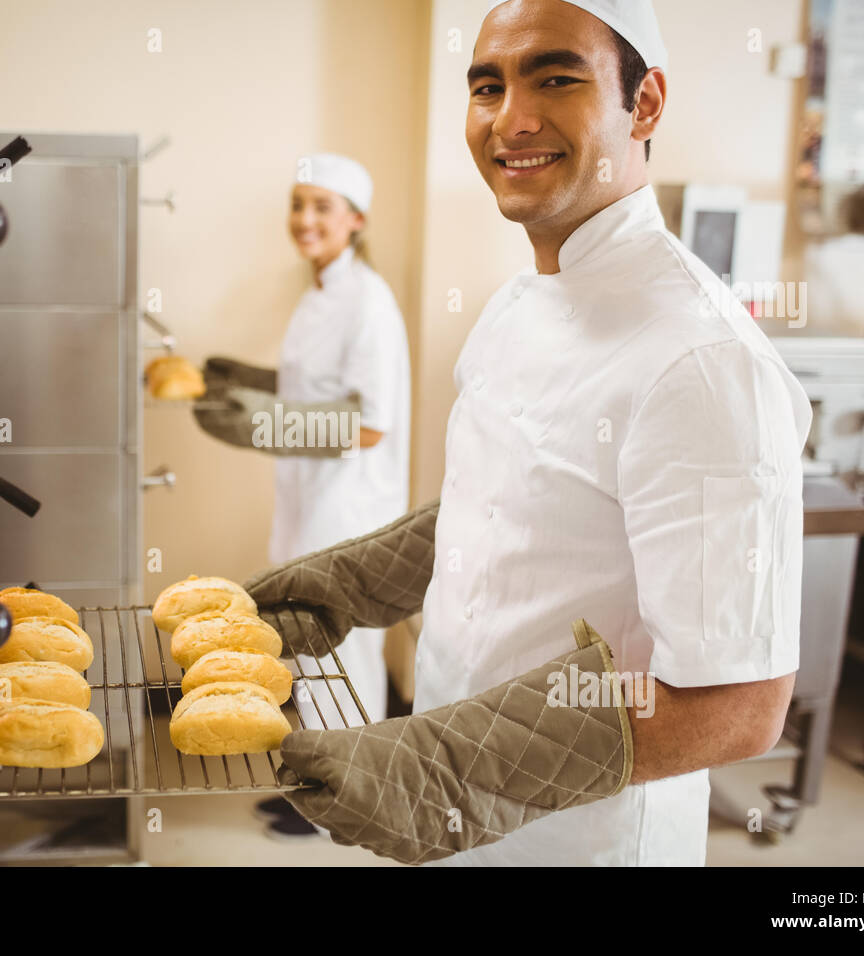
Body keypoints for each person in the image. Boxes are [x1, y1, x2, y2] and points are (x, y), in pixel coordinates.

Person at [243, 0, 813, 865]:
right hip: (456, 827)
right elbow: (509, 505)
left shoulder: (701, 361)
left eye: (556, 77)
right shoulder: (517, 306)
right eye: (487, 86)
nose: (511, 118)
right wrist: (352, 584)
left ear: (645, 104)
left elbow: (739, 702)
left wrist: (446, 768)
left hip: (580, 842)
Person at [194, 153, 411, 841]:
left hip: (347, 505)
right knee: (307, 649)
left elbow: (371, 423)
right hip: (306, 497)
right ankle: (316, 790)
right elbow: (312, 390)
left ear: (356, 220)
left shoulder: (368, 300)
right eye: (299, 204)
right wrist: (242, 379)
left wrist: (264, 419)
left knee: (343, 655)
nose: (306, 219)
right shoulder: (318, 291)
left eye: (323, 206)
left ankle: (350, 800)